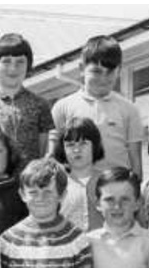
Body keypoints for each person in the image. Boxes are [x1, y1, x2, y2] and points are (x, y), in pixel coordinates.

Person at [49, 35, 143, 178]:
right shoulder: (62, 107)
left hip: (116, 189)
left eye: (110, 72)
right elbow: (53, 158)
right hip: (75, 188)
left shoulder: (129, 110)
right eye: (96, 71)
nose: (103, 78)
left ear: (119, 70)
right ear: (82, 68)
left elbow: (136, 162)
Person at [0, 33, 54, 165]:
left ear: (28, 65)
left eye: (20, 62)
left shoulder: (40, 105)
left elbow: (44, 149)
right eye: (6, 61)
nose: (13, 68)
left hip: (30, 182)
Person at [51, 116, 105, 231]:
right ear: (62, 149)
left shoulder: (108, 180)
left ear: (95, 145)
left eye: (83, 143)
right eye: (70, 145)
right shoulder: (56, 184)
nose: (76, 150)